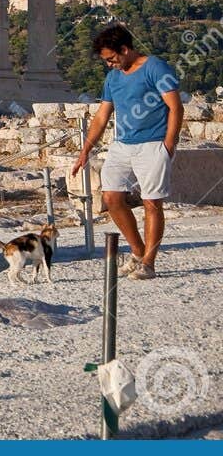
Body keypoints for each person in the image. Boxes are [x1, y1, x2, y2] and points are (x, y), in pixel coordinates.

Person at [71, 24, 183, 279]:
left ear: (125, 49)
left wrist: (168, 145)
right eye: (106, 61)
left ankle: (149, 264)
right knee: (111, 199)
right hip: (122, 145)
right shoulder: (113, 78)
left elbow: (175, 107)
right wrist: (85, 150)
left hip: (154, 144)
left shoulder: (156, 67)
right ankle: (138, 251)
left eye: (112, 58)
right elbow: (101, 116)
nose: (109, 64)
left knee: (152, 204)